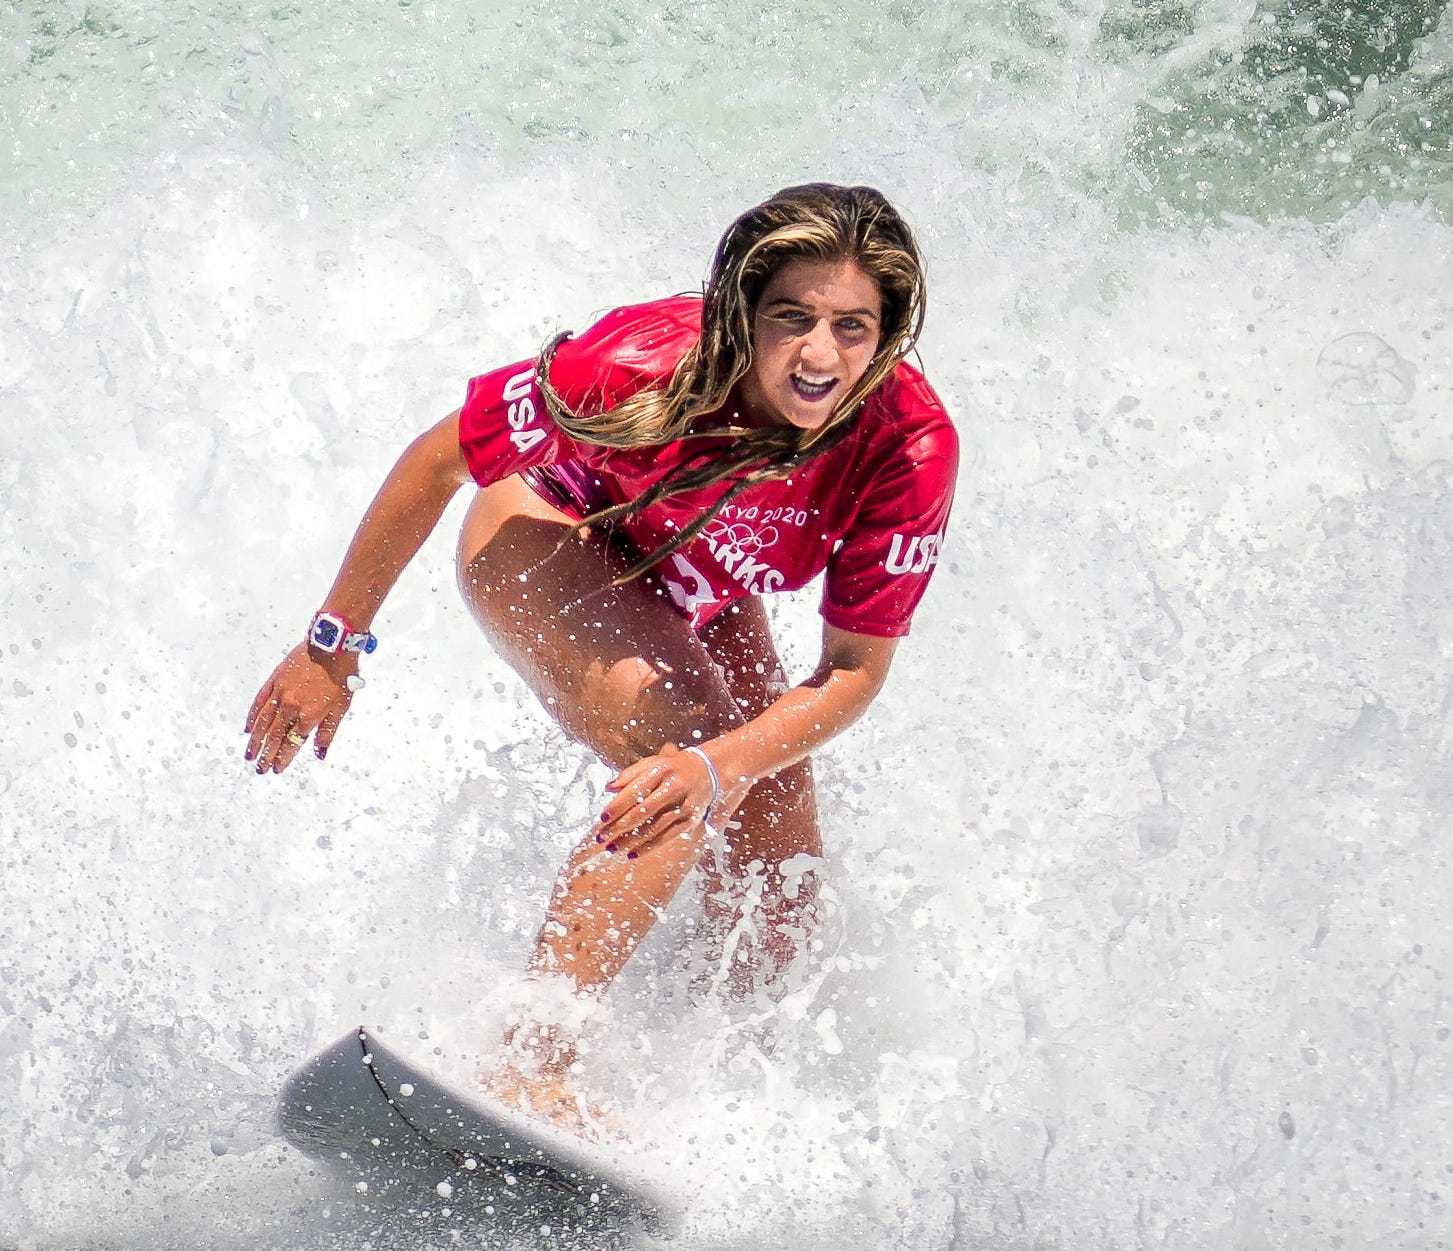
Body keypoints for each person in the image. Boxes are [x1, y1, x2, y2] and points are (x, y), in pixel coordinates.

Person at [246, 182, 959, 1134]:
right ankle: (532, 1064)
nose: (820, 355)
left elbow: (853, 673)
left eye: (853, 326)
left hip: (702, 573)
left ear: (888, 333)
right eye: (792, 318)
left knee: (777, 847)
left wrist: (726, 769)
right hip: (546, 528)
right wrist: (329, 650)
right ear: (741, 309)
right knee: (687, 751)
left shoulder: (908, 448)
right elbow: (440, 459)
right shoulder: (634, 366)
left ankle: (728, 1095)